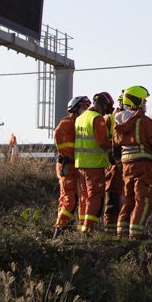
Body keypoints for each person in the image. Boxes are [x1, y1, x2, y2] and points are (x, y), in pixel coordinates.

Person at [112, 86, 152, 239]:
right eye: (144, 100)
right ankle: (136, 233)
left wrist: (120, 165)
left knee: (127, 198)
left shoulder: (116, 121)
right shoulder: (144, 121)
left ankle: (121, 233)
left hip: (126, 165)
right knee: (143, 198)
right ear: (138, 101)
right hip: (143, 164)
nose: (145, 103)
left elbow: (115, 147)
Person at [74, 92, 115, 234]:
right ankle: (88, 228)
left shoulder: (80, 118)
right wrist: (117, 141)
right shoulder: (97, 118)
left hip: (81, 163)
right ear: (102, 105)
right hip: (94, 164)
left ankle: (82, 226)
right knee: (95, 196)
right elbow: (103, 142)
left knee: (84, 196)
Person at [52, 95, 90, 236]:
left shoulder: (79, 123)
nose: (86, 110)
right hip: (66, 164)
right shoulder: (68, 121)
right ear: (76, 108)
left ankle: (64, 227)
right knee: (69, 199)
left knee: (71, 197)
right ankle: (59, 229)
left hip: (75, 165)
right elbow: (57, 133)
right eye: (84, 107)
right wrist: (65, 154)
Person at [101, 91, 125, 229]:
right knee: (112, 194)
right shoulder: (110, 119)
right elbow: (103, 142)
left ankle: (120, 227)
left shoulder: (131, 117)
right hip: (113, 164)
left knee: (125, 195)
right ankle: (110, 226)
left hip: (126, 162)